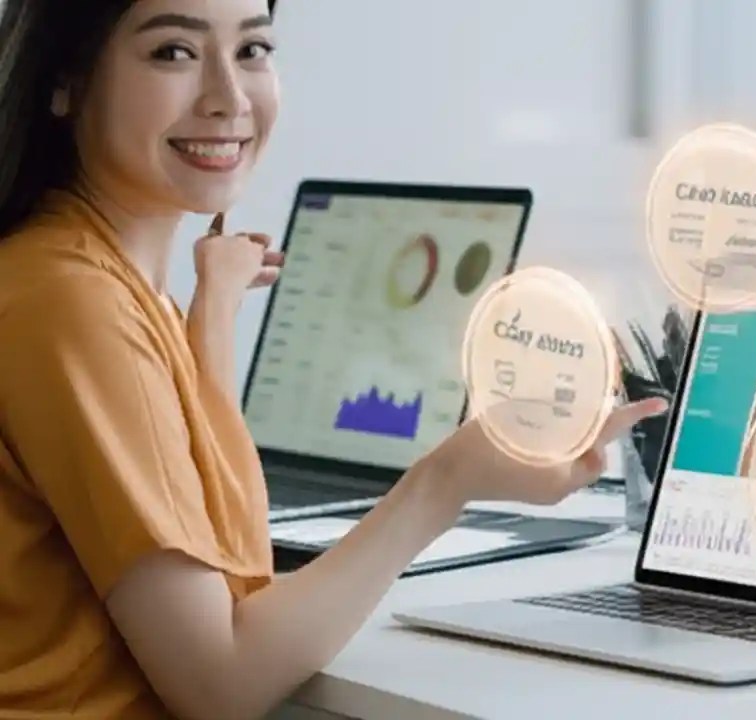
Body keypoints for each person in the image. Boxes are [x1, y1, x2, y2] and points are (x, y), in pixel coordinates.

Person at [0, 1, 667, 718]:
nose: (229, 98)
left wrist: (213, 311)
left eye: (253, 49)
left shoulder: (99, 278)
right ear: (65, 81)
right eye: (174, 52)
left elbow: (231, 559)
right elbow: (220, 683)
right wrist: (445, 481)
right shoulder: (73, 303)